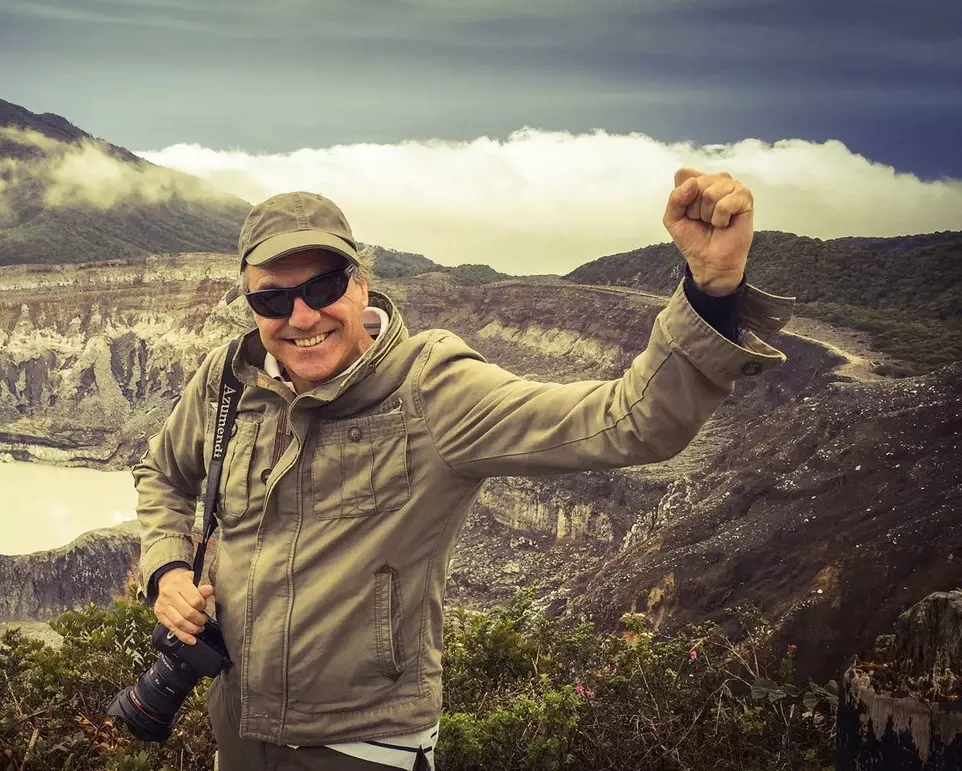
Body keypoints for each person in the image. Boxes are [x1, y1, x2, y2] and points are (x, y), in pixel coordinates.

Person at [132, 169, 794, 770]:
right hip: (239, 735)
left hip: (363, 748)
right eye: (273, 300)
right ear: (251, 305)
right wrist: (166, 567)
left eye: (322, 287)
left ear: (360, 281)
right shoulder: (229, 378)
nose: (300, 316)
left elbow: (631, 419)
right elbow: (162, 474)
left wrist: (710, 292)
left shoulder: (431, 388)